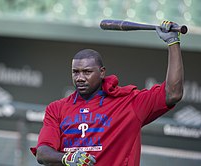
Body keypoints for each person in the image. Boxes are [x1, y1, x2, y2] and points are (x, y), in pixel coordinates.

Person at [30, 20, 184, 166]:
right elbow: (43, 153)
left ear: (102, 72)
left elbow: (173, 94)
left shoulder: (129, 103)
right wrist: (68, 157)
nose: (80, 78)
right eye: (75, 72)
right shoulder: (56, 109)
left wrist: (173, 43)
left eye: (87, 72)